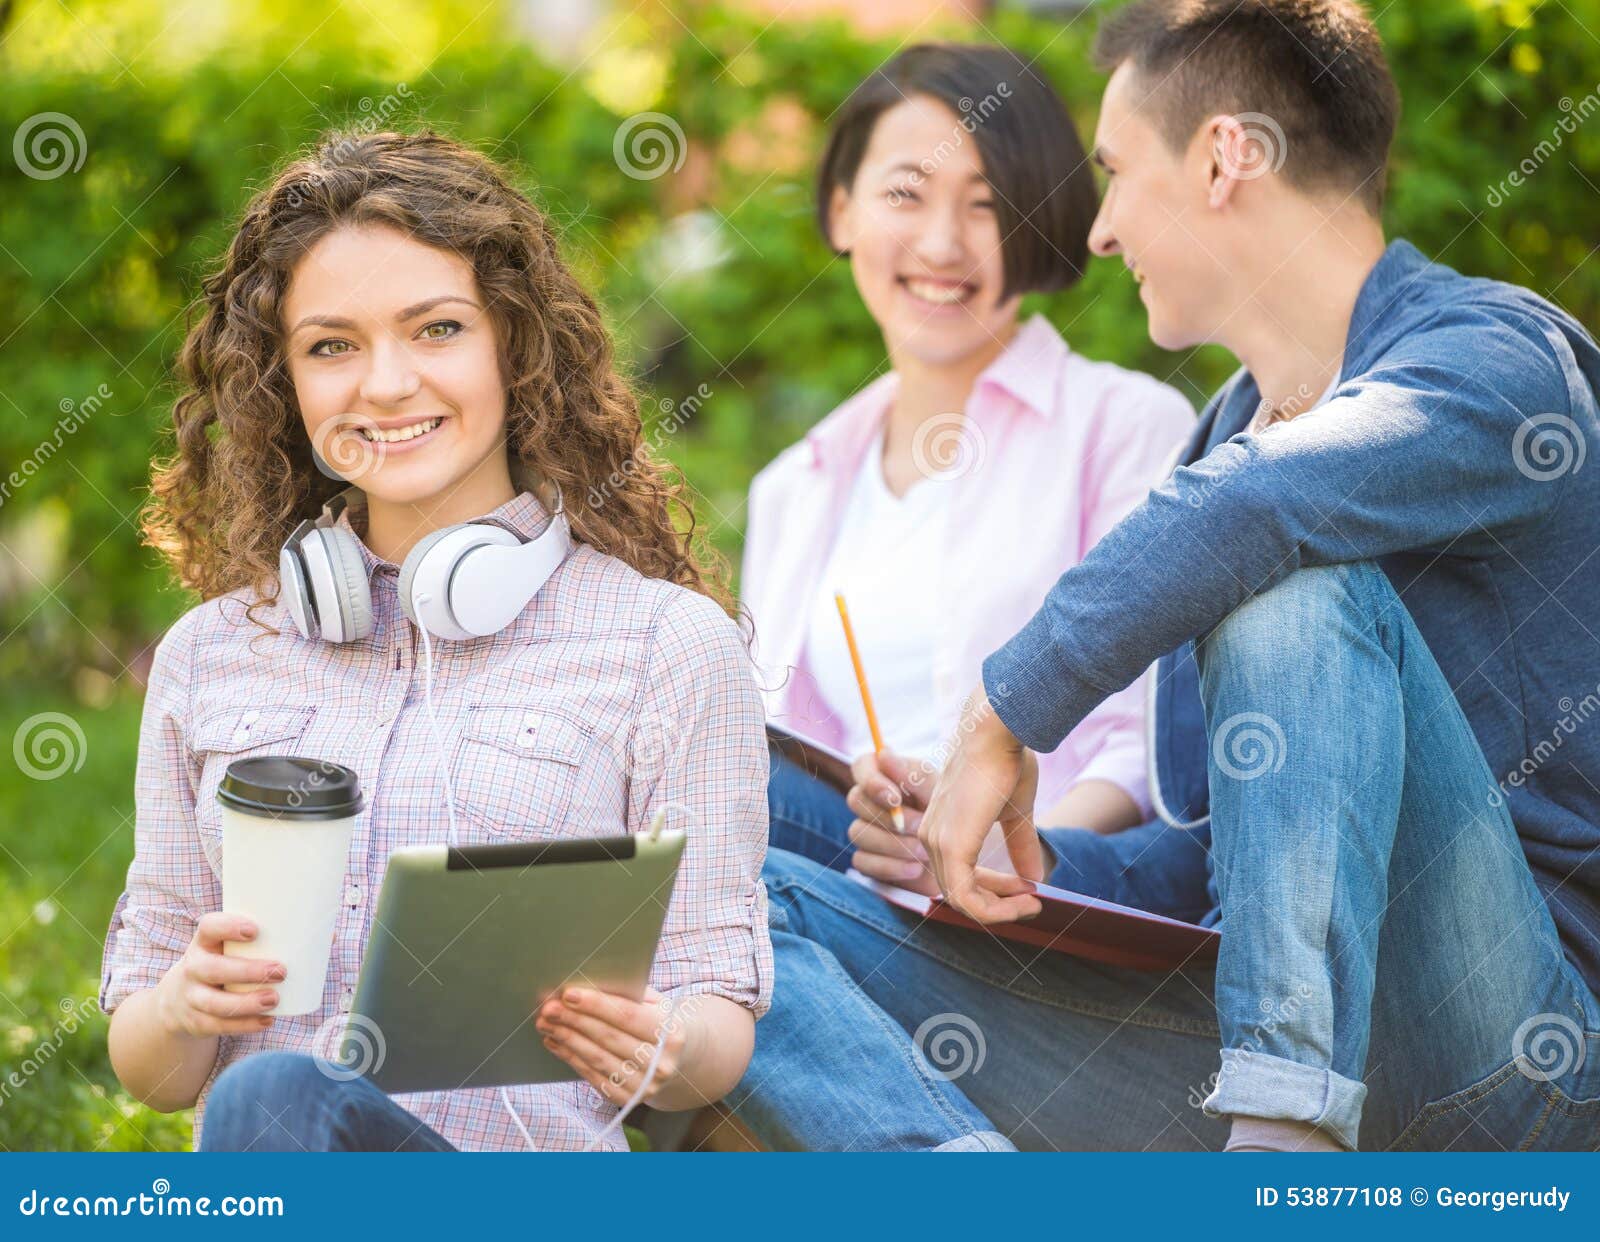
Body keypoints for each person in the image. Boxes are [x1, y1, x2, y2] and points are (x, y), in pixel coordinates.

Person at [729, 0, 1600, 1152]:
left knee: (1294, 583)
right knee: (757, 922)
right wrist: (1015, 862)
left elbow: (1262, 507)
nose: (1094, 232)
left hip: (1507, 1064)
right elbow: (1225, 856)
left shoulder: (1500, 364)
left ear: (1223, 157)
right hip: (1244, 1044)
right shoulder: (1220, 438)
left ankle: (1279, 1158)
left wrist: (1004, 710)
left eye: (1116, 171)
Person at [99, 129, 773, 1152]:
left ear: (514, 343)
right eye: (331, 346)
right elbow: (150, 1069)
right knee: (268, 1096)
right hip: (277, 1168)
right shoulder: (212, 653)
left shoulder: (664, 645)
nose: (384, 384)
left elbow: (715, 1026)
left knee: (273, 1096)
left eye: (436, 329)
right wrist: (184, 1005)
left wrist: (662, 1045)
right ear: (285, 381)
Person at [743, 43, 1195, 887]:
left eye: (987, 206)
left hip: (1029, 904)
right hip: (836, 899)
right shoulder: (794, 486)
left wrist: (988, 857)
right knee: (705, 763)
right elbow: (782, 750)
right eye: (904, 195)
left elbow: (1149, 739)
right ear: (843, 212)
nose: (943, 244)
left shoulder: (1126, 427)